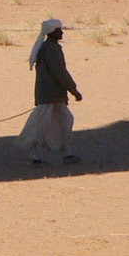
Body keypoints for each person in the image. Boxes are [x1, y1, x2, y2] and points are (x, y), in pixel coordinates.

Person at [17, 18, 82, 166]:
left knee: (63, 121)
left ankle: (67, 153)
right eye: (59, 30)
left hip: (53, 94)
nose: (62, 32)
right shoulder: (51, 49)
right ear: (52, 32)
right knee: (40, 124)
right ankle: (35, 155)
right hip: (49, 94)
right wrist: (73, 90)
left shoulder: (49, 47)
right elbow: (60, 72)